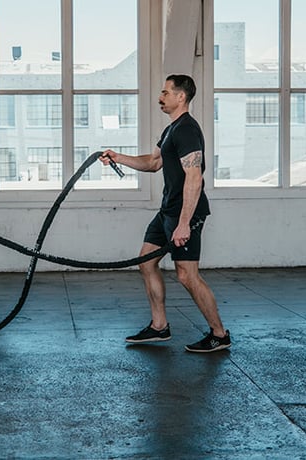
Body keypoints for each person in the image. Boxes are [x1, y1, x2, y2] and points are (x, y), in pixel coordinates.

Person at [99, 74, 230, 353]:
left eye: (165, 92)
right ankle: (159, 327)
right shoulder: (172, 130)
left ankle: (219, 334)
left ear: (180, 96)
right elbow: (153, 162)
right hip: (167, 210)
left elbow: (195, 178)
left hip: (185, 214)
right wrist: (117, 156)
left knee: (187, 275)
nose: (161, 97)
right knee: (146, 262)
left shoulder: (186, 130)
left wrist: (184, 224)